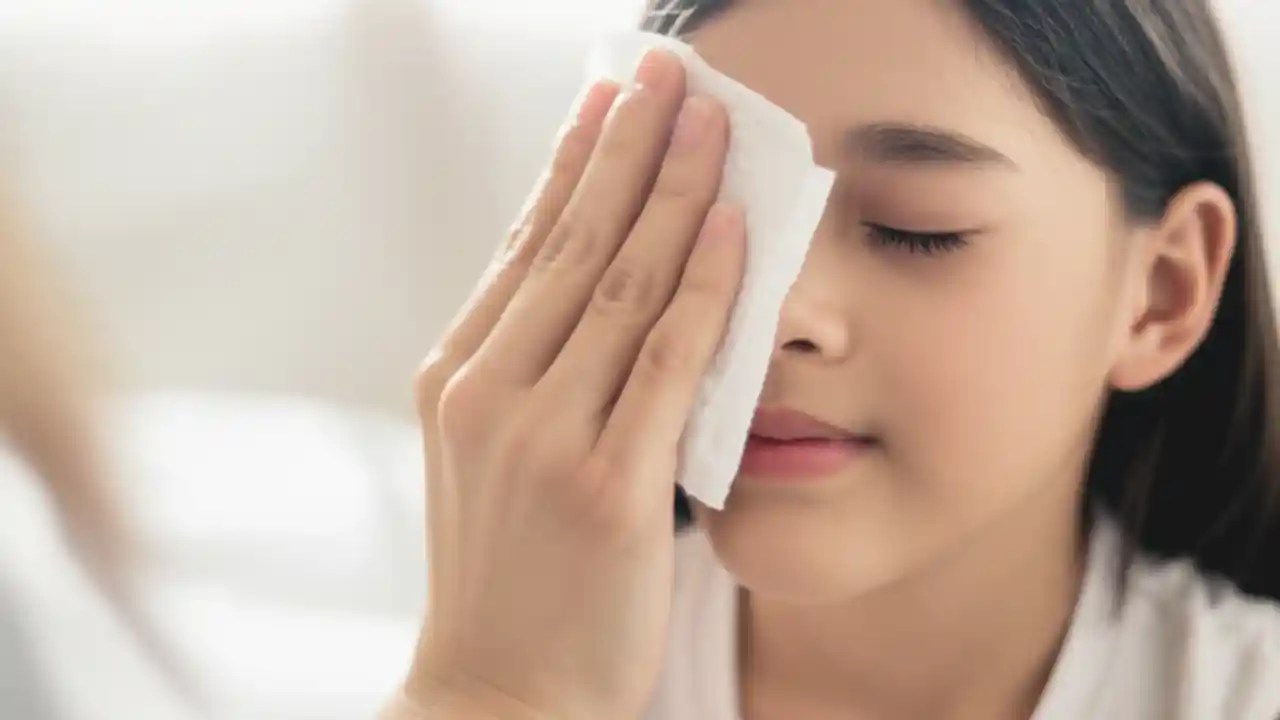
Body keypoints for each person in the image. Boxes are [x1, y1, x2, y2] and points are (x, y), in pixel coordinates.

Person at [382, 1, 1280, 718]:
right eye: (712, 213)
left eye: (914, 230)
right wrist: (484, 695)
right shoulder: (522, 651)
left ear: (1161, 292)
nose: (772, 314)